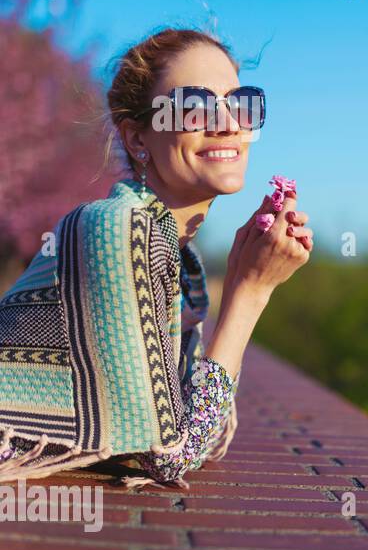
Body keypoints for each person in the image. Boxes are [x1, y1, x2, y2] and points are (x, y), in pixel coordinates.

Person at [0, 28, 312, 488]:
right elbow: (172, 454)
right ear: (137, 138)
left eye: (239, 103)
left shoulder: (175, 256)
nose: (227, 123)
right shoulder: (120, 229)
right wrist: (251, 288)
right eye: (193, 106)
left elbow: (192, 419)